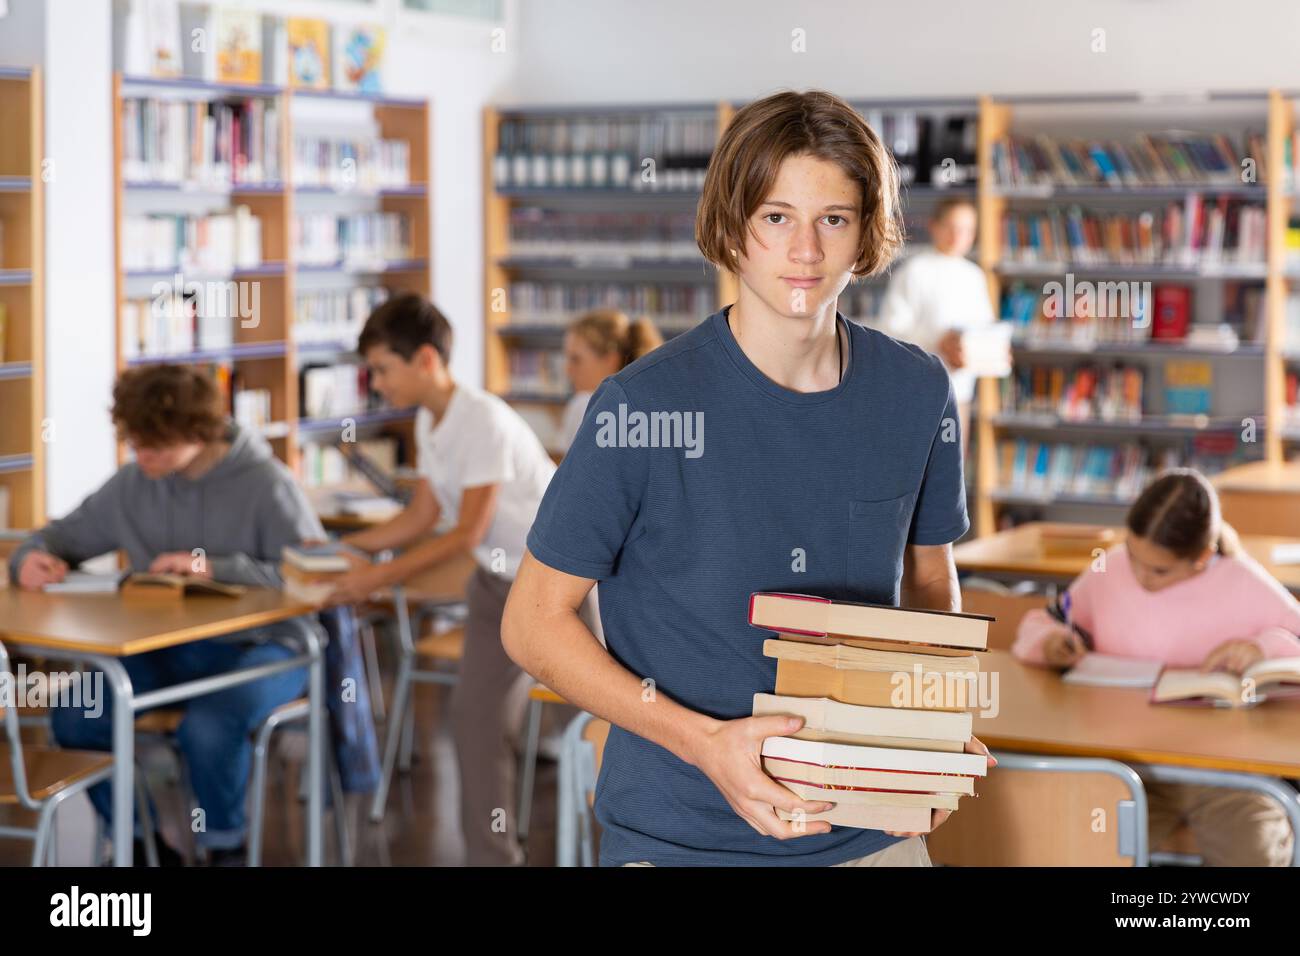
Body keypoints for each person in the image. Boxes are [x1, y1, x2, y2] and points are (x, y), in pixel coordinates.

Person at [502, 89, 995, 867]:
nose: (805, 250)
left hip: (871, 833)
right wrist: (705, 744)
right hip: (681, 838)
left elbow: (930, 582)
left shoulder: (917, 392)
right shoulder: (642, 405)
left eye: (832, 218)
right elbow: (531, 622)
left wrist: (929, 725)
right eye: (776, 217)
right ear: (732, 229)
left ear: (867, 233)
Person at [10, 364, 323, 866]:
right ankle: (142, 843)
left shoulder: (266, 483)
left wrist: (212, 568)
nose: (142, 456)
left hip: (270, 648)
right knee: (78, 714)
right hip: (169, 647)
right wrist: (29, 558)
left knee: (208, 727)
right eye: (135, 444)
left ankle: (226, 846)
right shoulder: (134, 483)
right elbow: (57, 537)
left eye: (155, 446)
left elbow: (316, 574)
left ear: (197, 431)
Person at [326, 293, 555, 866]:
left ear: (426, 359)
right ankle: (493, 858)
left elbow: (465, 534)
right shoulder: (431, 420)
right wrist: (342, 549)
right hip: (496, 586)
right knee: (472, 721)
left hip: (560, 586)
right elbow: (423, 516)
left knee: (591, 708)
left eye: (382, 369)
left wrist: (374, 581)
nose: (376, 383)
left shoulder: (482, 420)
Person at [1013, 468, 1299, 866]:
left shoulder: (1243, 580)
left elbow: (1295, 638)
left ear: (1200, 558)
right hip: (1125, 766)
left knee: (1255, 852)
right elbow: (1045, 621)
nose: (1140, 576)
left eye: (1159, 570)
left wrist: (1261, 648)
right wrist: (1050, 643)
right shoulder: (1109, 569)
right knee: (1081, 846)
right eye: (1133, 555)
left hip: (1228, 775)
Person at [876, 195, 998, 447]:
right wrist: (937, 342)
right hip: (918, 395)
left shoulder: (974, 276)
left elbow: (985, 331)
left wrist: (991, 353)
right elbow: (890, 332)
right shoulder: (913, 272)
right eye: (951, 227)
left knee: (952, 473)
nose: (958, 236)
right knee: (918, 470)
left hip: (960, 393)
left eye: (967, 230)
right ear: (934, 226)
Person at [558, 309, 663, 453]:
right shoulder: (653, 409)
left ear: (610, 360)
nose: (568, 370)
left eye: (576, 359)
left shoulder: (585, 406)